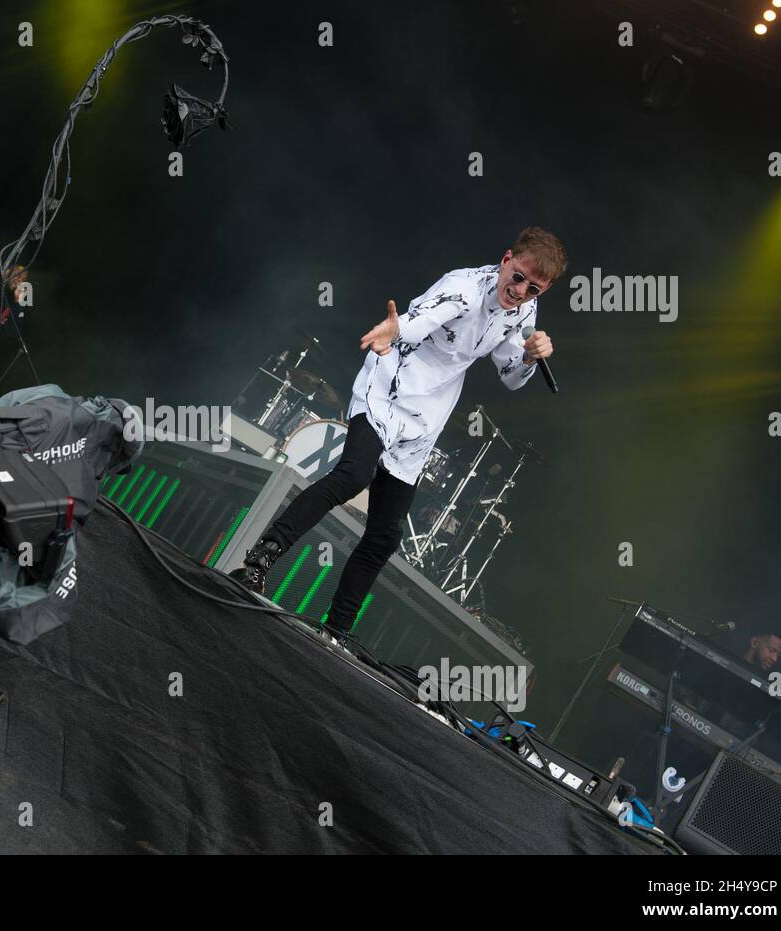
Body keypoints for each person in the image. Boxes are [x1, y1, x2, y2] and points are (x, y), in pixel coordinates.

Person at [233, 227, 566, 640]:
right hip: (390, 384)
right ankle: (259, 561)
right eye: (517, 277)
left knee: (386, 534)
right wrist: (394, 330)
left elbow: (510, 375)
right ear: (505, 260)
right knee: (354, 475)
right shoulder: (462, 288)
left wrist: (530, 360)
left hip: (427, 415)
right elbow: (418, 322)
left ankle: (335, 631)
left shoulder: (524, 312)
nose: (519, 292)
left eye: (533, 289)